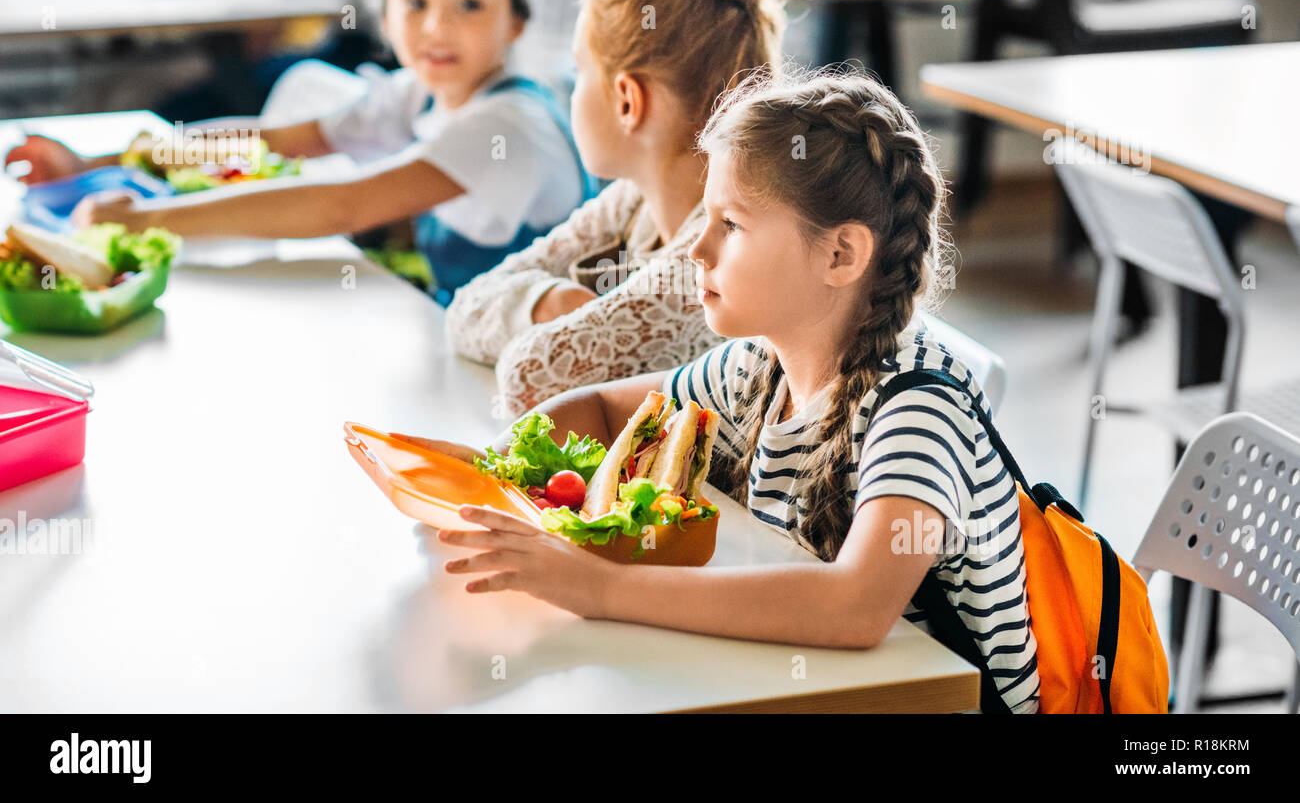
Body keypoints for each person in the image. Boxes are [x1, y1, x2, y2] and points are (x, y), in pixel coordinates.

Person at [412, 72, 1041, 713]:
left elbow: (855, 608)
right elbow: (600, 410)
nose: (699, 249)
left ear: (841, 255)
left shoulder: (920, 408)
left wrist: (597, 588)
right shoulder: (754, 367)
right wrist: (497, 475)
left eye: (731, 224)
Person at [6, 0, 586, 307]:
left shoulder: (507, 125)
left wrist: (146, 219)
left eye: (470, 4)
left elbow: (343, 205)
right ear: (385, 14)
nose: (435, 28)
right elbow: (274, 140)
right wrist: (99, 163)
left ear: (517, 21)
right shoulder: (418, 93)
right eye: (415, 2)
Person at [446, 0, 785, 417]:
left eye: (580, 71)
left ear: (628, 100)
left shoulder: (727, 243)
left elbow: (529, 377)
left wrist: (548, 313)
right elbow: (467, 305)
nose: (572, 89)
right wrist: (548, 302)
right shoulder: (634, 200)